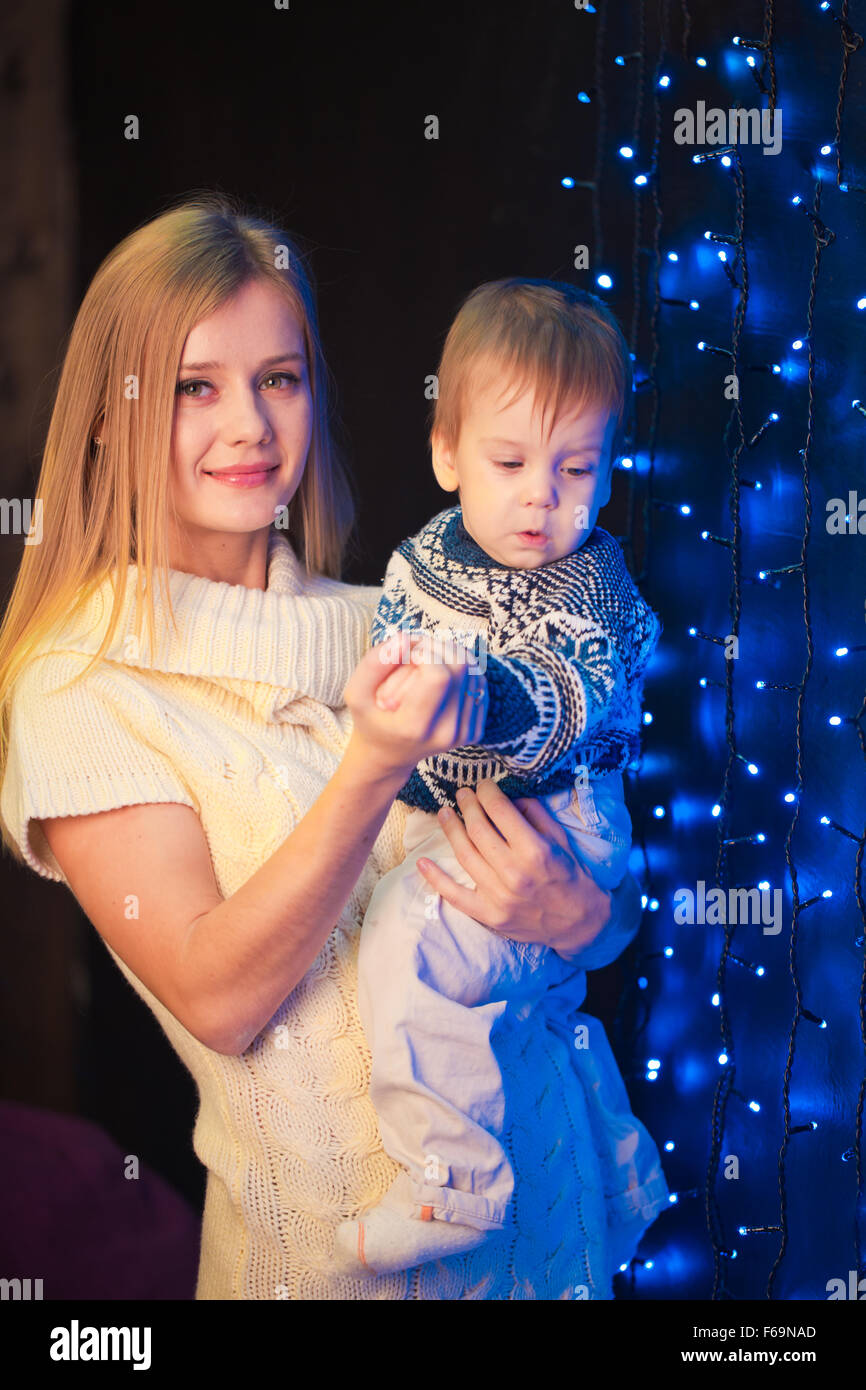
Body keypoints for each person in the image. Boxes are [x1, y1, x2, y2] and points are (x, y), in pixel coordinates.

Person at [0, 194, 649, 1300]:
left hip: (558, 1246)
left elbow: (588, 885)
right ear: (110, 416)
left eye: (279, 378)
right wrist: (372, 763)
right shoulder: (82, 690)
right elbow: (218, 998)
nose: (248, 424)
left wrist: (586, 917)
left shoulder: (392, 621)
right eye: (193, 386)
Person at [332, 280, 669, 1278]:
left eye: (576, 469)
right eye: (510, 461)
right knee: (486, 992)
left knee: (410, 952)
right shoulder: (419, 557)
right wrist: (396, 691)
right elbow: (397, 646)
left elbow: (565, 692)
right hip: (464, 808)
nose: (541, 496)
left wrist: (474, 700)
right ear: (446, 453)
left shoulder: (596, 590)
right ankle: (610, 1167)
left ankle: (455, 1182)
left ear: (606, 476)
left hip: (563, 820)